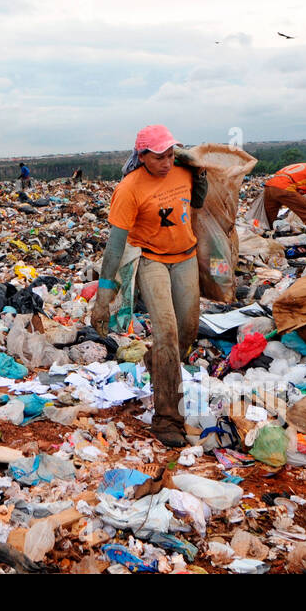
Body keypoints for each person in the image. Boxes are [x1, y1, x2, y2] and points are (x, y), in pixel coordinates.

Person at [90, 125, 207, 448]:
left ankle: (157, 362)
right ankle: (167, 418)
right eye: (159, 157)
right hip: (152, 260)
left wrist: (200, 173)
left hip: (186, 258)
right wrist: (103, 297)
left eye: (171, 155)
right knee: (167, 333)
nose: (167, 163)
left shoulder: (183, 171)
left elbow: (198, 201)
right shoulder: (130, 189)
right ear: (142, 157)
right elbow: (115, 247)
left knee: (187, 331)